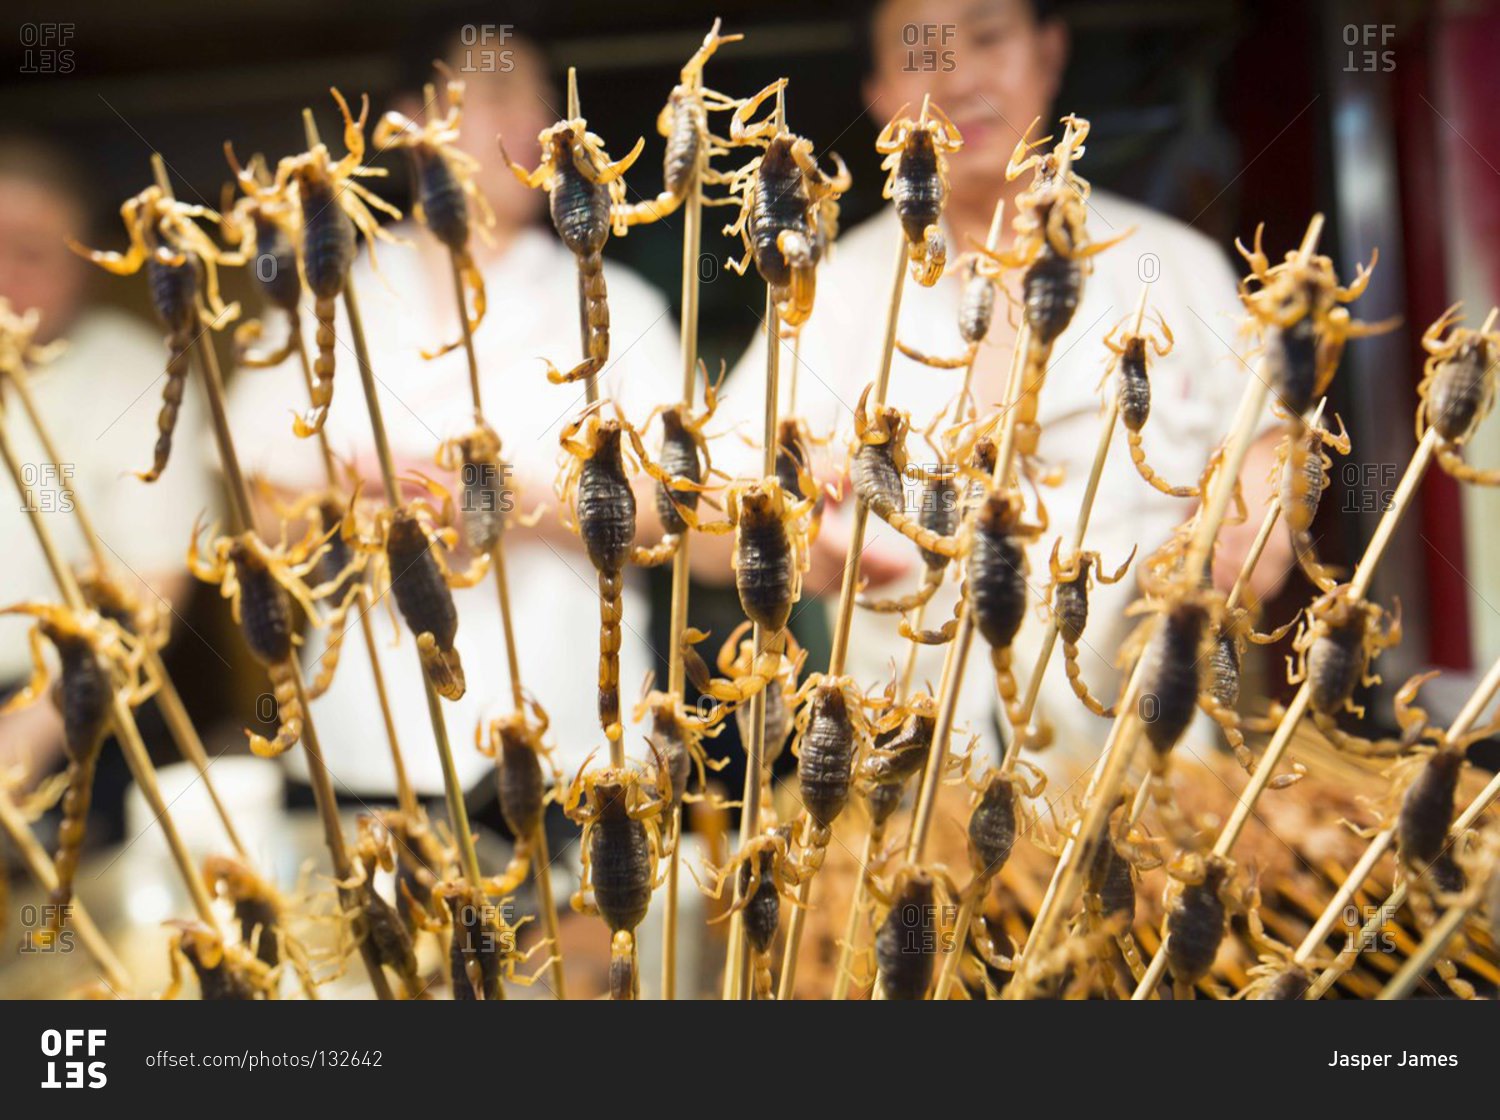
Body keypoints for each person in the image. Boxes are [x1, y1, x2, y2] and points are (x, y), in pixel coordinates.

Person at [695, 0, 1292, 776]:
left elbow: (1274, 443)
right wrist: (777, 534)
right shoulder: (830, 292)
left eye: (985, 38)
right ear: (879, 96)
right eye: (920, 53)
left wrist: (1259, 518)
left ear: (1049, 52)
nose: (956, 78)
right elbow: (705, 501)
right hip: (913, 772)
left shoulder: (1175, 266)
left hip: (1145, 759)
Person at [225, 35, 680, 797]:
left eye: (541, 106)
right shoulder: (330, 297)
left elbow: (674, 516)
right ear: (412, 123)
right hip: (366, 739)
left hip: (571, 737)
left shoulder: (616, 301)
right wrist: (358, 502)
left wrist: (484, 497)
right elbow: (257, 525)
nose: (530, 126)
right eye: (498, 99)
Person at [0, 136, 216, 783]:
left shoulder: (136, 371)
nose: (5, 273)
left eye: (33, 254)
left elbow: (153, 586)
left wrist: (28, 737)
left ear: (87, 264)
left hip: (74, 707)